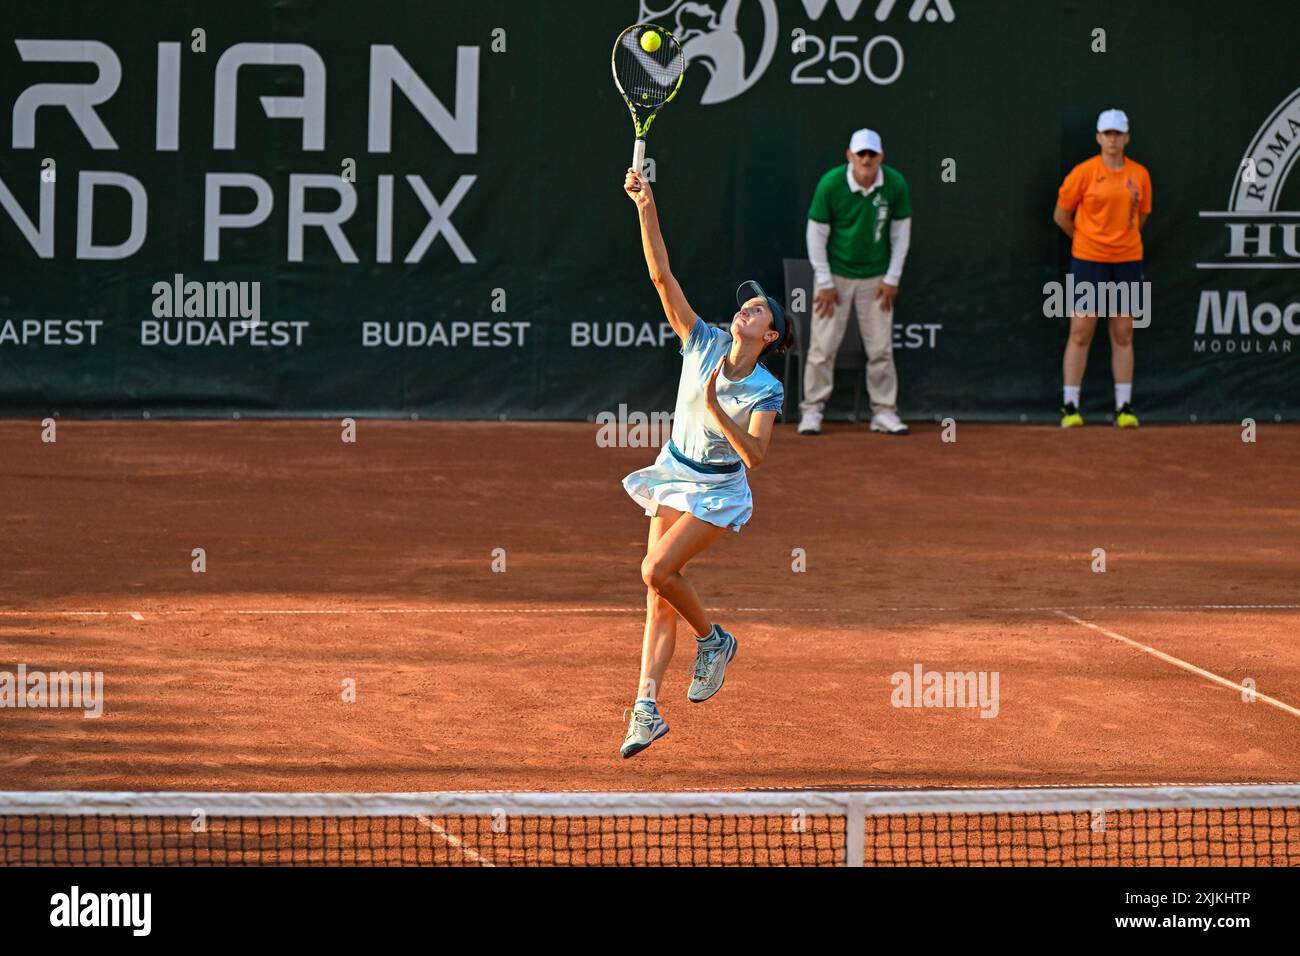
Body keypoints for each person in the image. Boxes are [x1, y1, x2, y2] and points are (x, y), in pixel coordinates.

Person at [618, 165, 791, 759]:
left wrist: (718, 407)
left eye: (759, 310)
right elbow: (662, 277)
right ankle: (646, 706)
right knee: (657, 591)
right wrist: (646, 205)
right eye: (746, 306)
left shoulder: (766, 390)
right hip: (674, 470)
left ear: (770, 335)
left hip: (719, 491)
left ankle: (714, 641)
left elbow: (757, 456)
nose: (747, 309)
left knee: (655, 570)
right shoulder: (705, 340)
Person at [800, 127, 913, 436]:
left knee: (881, 349)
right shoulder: (831, 183)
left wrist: (892, 278)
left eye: (871, 154)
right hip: (833, 277)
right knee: (822, 348)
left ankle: (884, 412)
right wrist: (823, 280)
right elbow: (816, 234)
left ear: (880, 157)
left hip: (876, 278)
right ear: (849, 156)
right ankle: (812, 411)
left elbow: (901, 235)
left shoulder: (895, 184)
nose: (866, 159)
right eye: (860, 153)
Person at [1053, 108, 1152, 428]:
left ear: (1127, 138)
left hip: (1127, 260)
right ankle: (1070, 406)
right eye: (1107, 134)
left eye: (1118, 134)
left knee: (1123, 332)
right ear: (1098, 137)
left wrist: (1120, 241)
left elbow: (1142, 217)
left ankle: (1124, 407)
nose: (1113, 139)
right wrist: (1087, 239)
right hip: (1088, 260)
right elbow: (1061, 216)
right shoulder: (1082, 173)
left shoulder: (1140, 175)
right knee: (1081, 332)